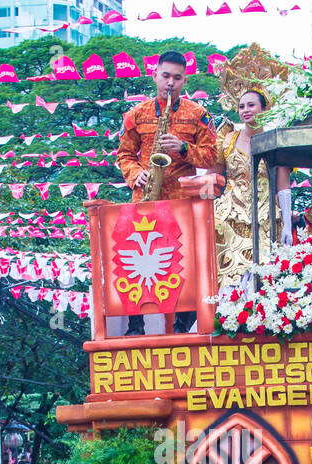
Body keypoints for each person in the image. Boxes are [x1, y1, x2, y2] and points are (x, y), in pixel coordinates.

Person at [114, 50, 219, 336]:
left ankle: (184, 324)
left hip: (183, 201)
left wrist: (184, 149)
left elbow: (211, 157)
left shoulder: (199, 114)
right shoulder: (136, 114)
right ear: (154, 75)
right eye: (165, 76)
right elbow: (123, 155)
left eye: (177, 77)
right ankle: (136, 325)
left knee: (184, 261)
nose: (170, 83)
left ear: (185, 80)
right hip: (146, 198)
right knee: (136, 260)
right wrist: (136, 174)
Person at [190, 47, 293, 287]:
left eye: (251, 105)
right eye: (242, 106)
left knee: (265, 276)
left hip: (267, 215)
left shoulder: (277, 140)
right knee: (228, 277)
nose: (245, 111)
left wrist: (287, 223)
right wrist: (202, 212)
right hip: (230, 217)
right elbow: (211, 178)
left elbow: (283, 185)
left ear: (264, 108)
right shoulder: (226, 138)